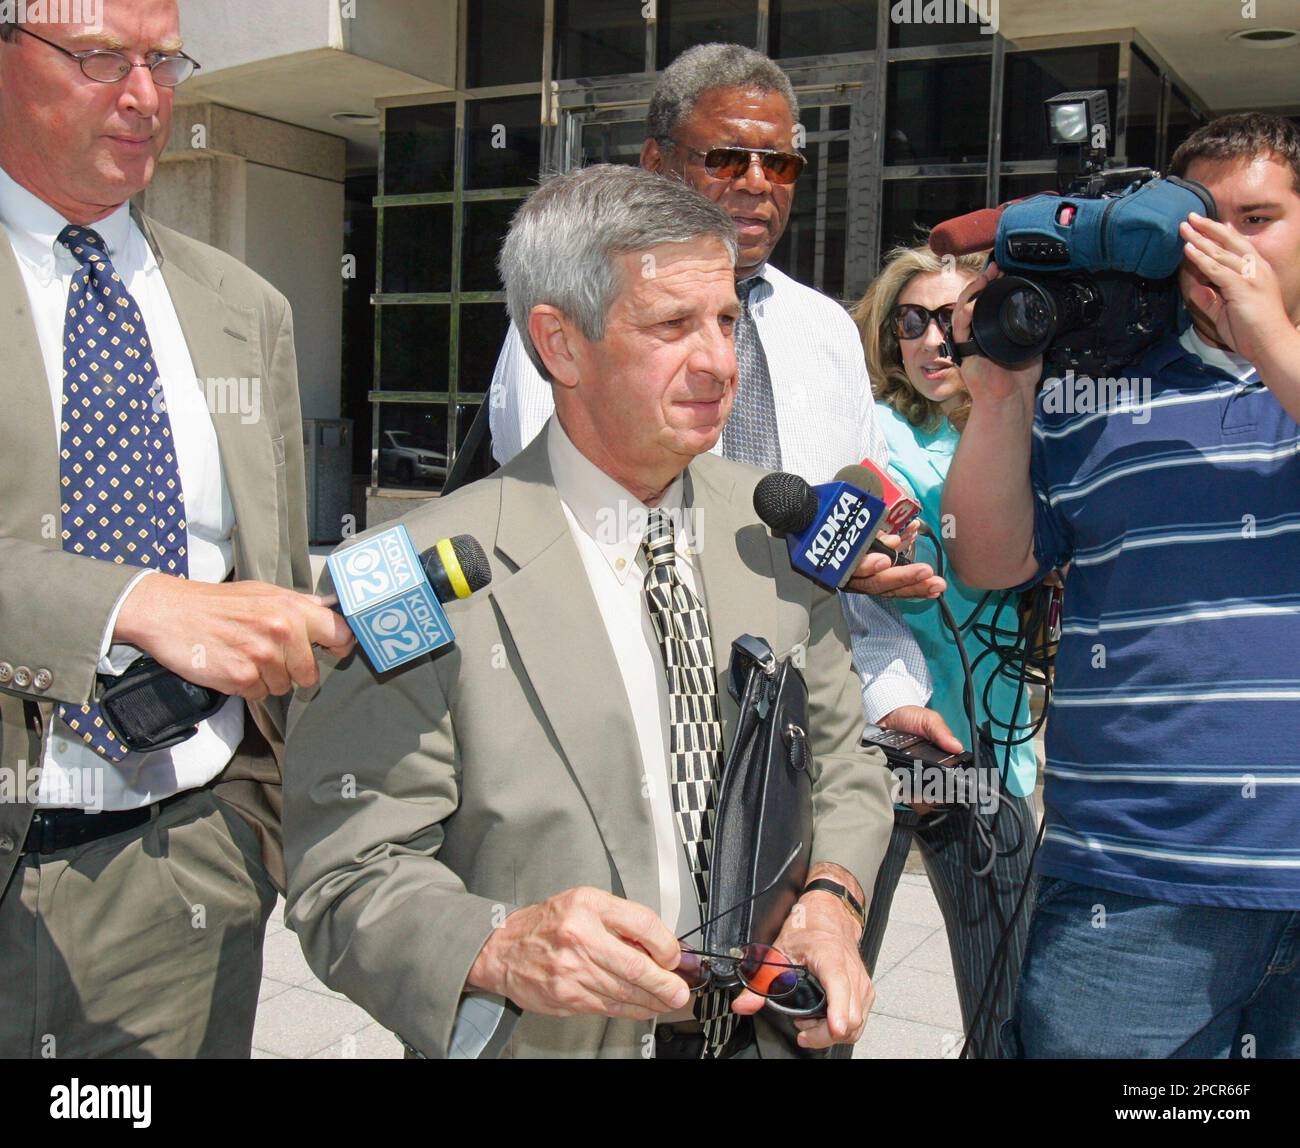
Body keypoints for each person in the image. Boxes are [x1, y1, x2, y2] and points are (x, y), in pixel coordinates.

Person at [283, 164, 896, 1060]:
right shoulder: (409, 579)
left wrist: (833, 902)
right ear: (560, 345)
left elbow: (844, 760)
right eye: (672, 326)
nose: (720, 361)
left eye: (727, 321)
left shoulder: (773, 529)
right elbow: (346, 871)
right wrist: (498, 947)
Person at [0, 0, 353, 1058]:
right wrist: (130, 603)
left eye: (164, 60)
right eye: (101, 57)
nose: (146, 96)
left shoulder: (247, 309)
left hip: (186, 875)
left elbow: (270, 577)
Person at [488, 40, 961, 783]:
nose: (756, 184)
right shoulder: (570, 330)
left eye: (779, 165)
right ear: (657, 163)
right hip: (644, 744)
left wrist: (889, 695)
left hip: (821, 744)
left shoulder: (827, 331)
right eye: (725, 159)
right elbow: (570, 542)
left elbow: (854, 532)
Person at [944, 112, 1300, 1057]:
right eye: (1197, 219)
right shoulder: (1103, 383)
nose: (1219, 247)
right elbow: (987, 563)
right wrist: (1004, 397)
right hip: (1130, 887)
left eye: (1256, 219)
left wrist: (1269, 336)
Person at [850, 243, 1038, 1057]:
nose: (933, 341)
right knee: (827, 997)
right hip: (880, 739)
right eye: (912, 322)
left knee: (1013, 1004)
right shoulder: (867, 433)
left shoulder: (1029, 428)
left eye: (956, 321)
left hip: (991, 747)